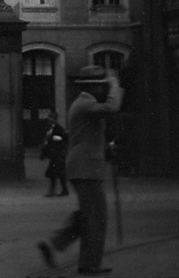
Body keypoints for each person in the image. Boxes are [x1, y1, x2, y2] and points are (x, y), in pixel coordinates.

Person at [38, 65, 123, 276]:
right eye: (102, 86)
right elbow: (112, 108)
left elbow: (87, 137)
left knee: (88, 215)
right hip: (85, 168)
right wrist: (115, 86)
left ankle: (55, 244)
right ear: (93, 86)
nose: (104, 89)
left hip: (84, 166)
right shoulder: (86, 103)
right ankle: (89, 264)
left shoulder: (84, 103)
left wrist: (105, 149)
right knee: (95, 217)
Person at [40, 110, 69, 197]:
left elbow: (65, 138)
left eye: (50, 118)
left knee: (54, 173)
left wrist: (58, 139)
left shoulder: (58, 128)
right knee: (59, 172)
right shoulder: (49, 129)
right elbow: (47, 141)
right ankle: (64, 190)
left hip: (58, 153)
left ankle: (53, 191)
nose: (48, 120)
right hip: (54, 153)